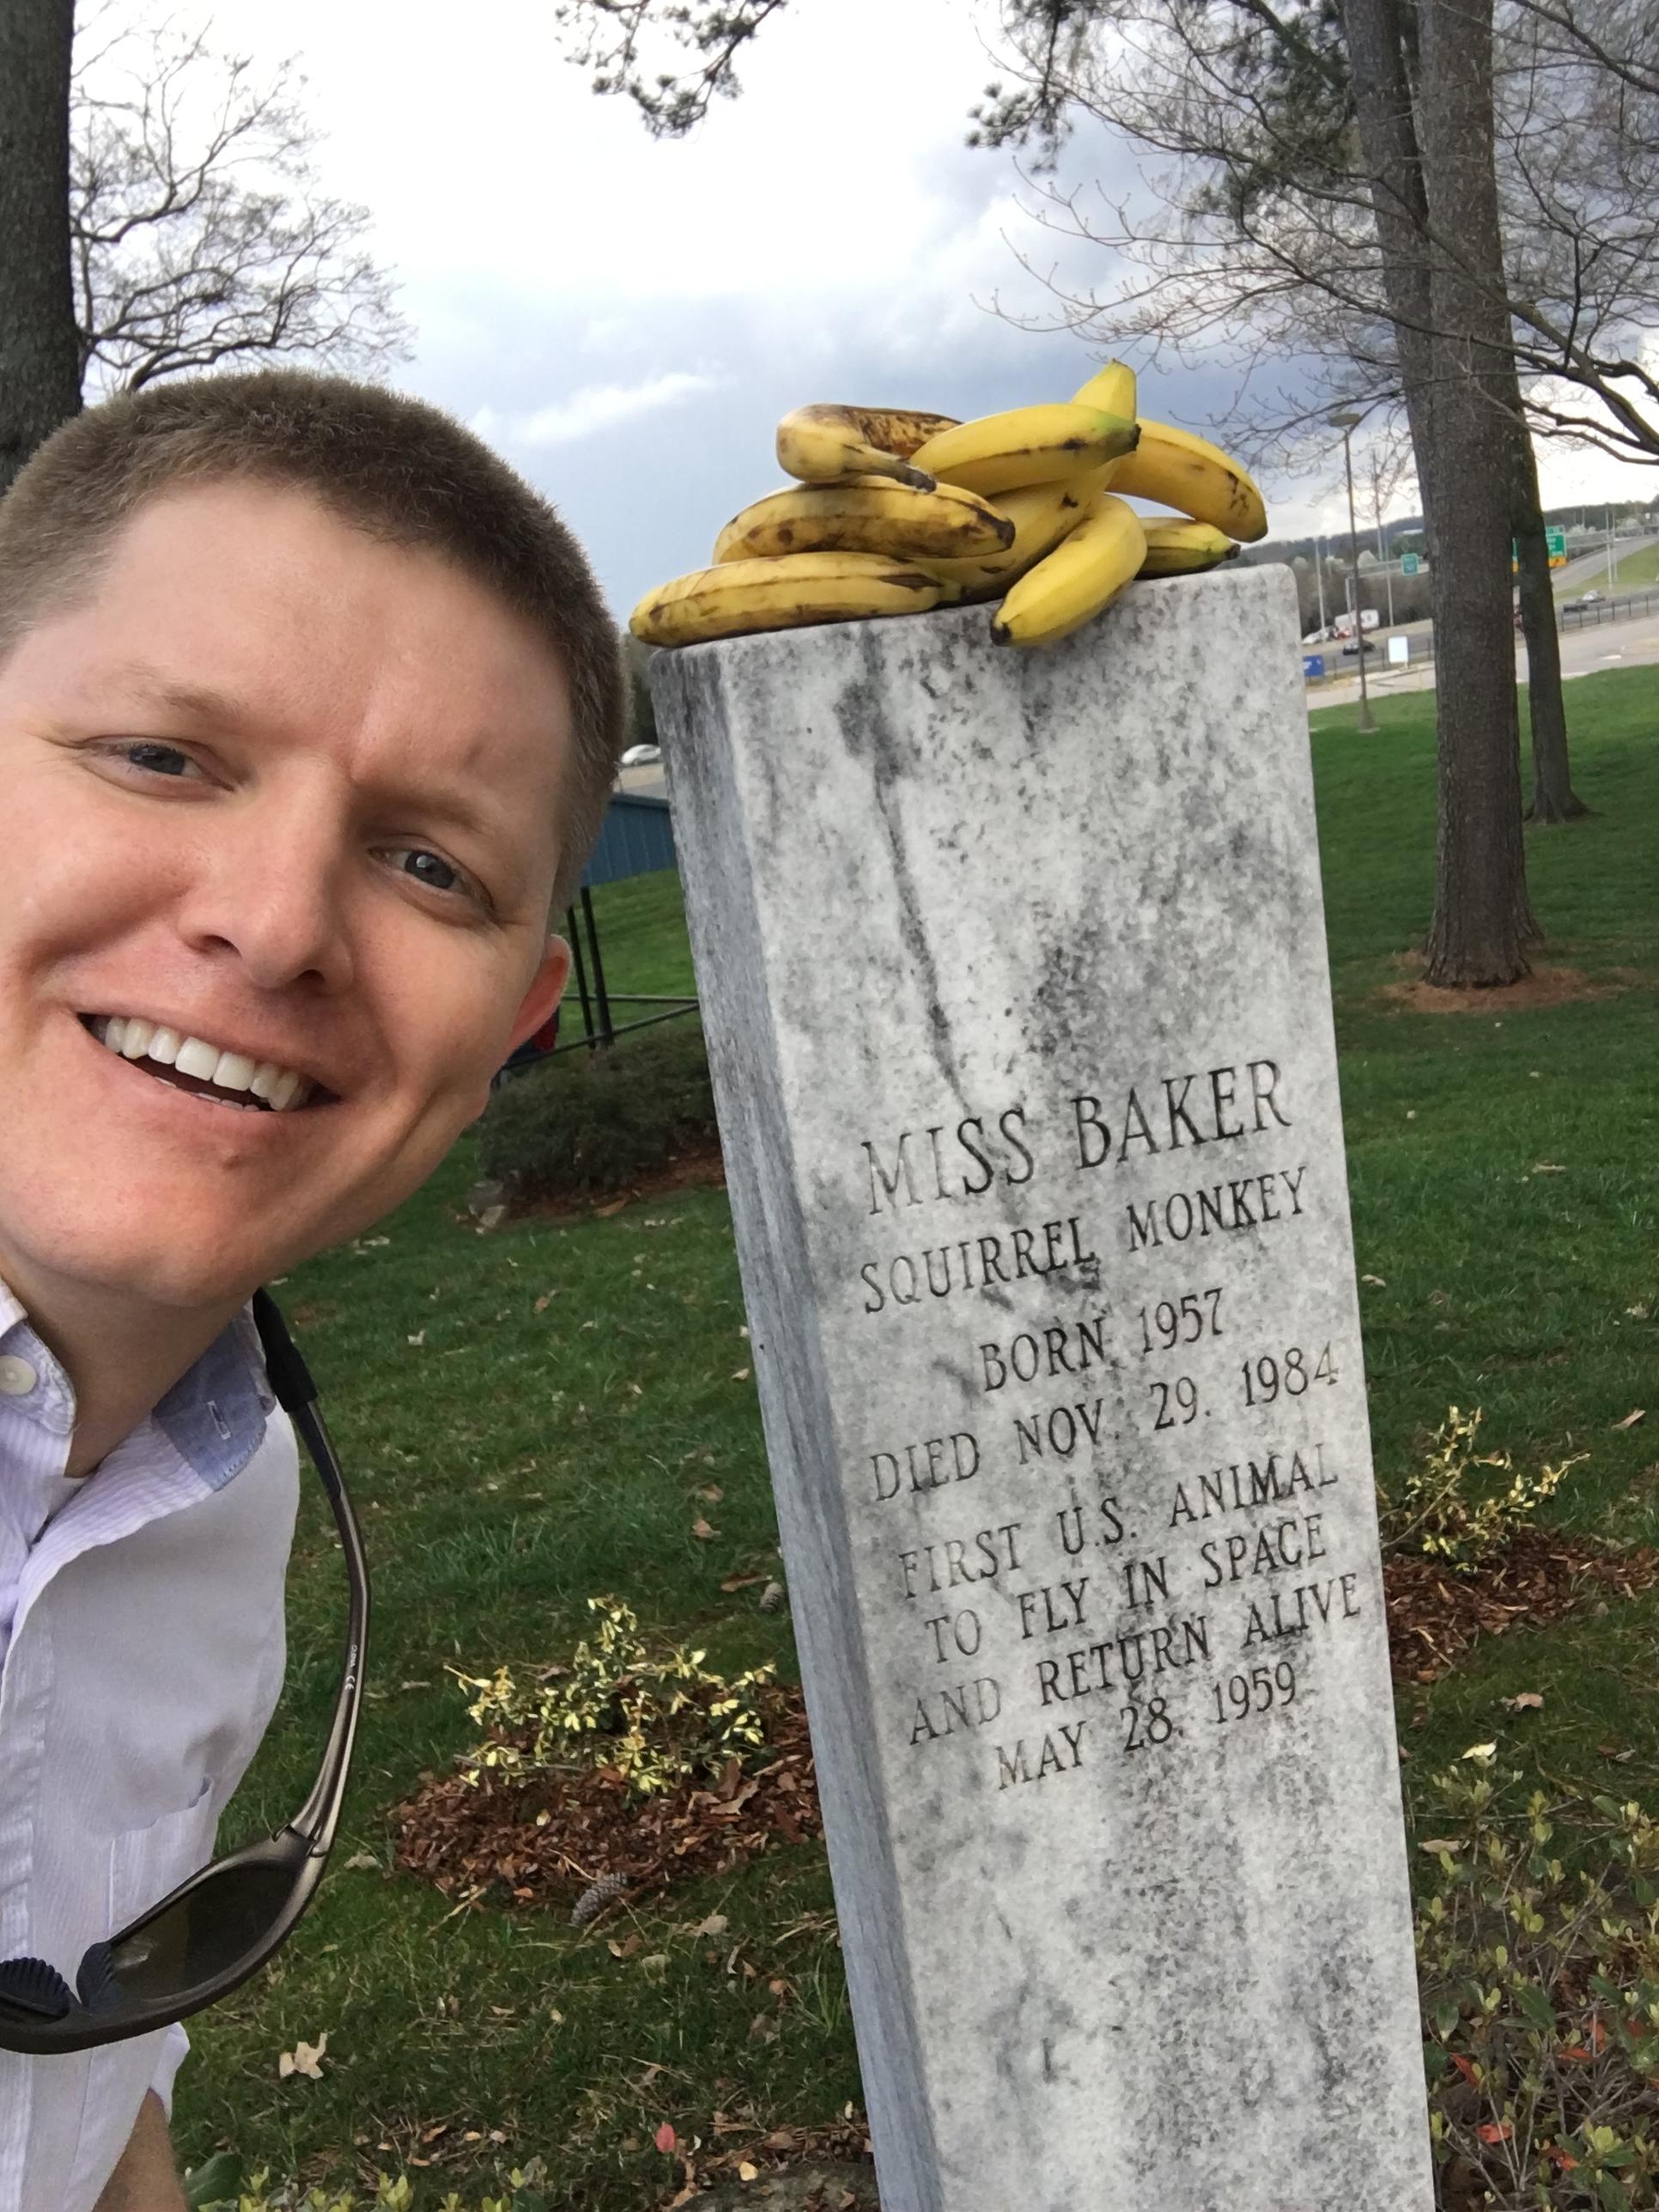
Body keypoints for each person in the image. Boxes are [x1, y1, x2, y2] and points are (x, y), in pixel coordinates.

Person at [0, 371, 626, 2209]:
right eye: (165, 757)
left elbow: (75, 2069)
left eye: (428, 862)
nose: (274, 924)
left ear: (513, 1022)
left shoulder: (218, 1497)